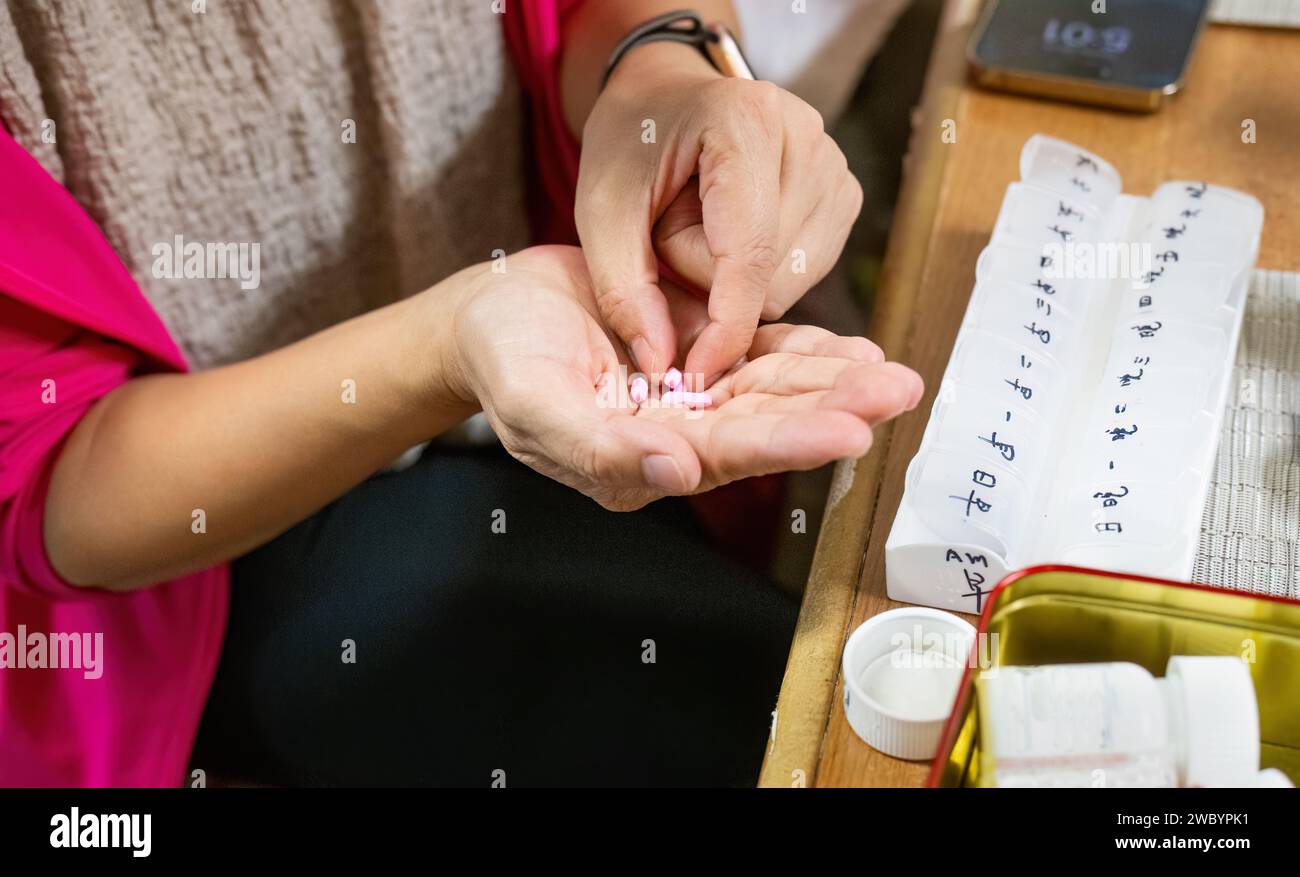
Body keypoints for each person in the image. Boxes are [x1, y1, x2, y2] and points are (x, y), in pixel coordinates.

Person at [0, 0, 921, 786]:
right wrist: (452, 339)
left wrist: (660, 72)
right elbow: (58, 489)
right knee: (749, 693)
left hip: (534, 399)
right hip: (195, 575)